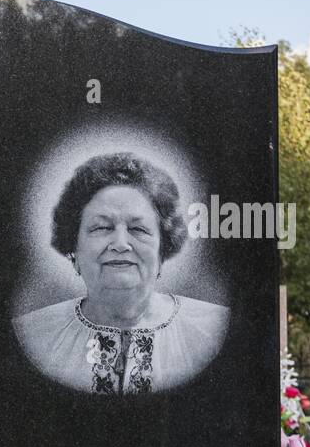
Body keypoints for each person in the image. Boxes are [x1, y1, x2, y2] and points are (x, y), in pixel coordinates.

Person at [13, 152, 228, 395]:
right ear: (74, 247)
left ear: (162, 248)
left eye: (138, 228)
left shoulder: (212, 330)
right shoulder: (31, 333)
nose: (120, 244)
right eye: (102, 227)